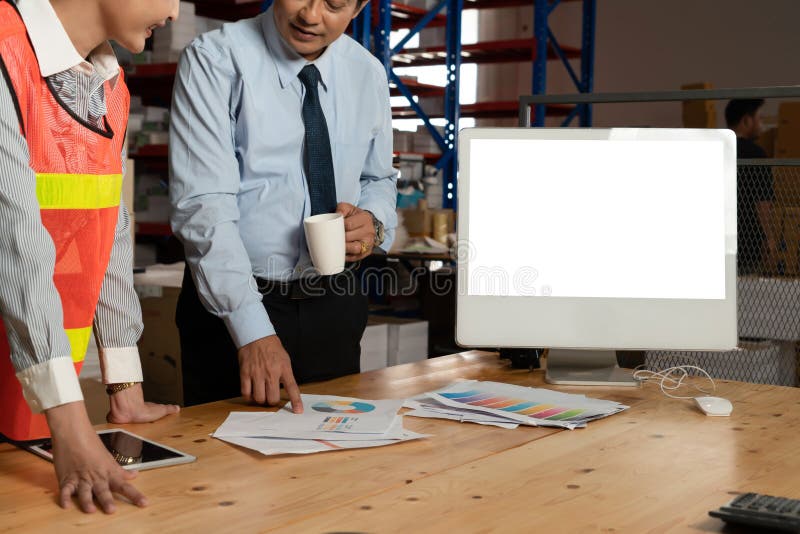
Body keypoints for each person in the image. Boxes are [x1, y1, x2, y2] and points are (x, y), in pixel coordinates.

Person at [169, 0, 397, 408]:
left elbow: (377, 178)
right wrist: (253, 331)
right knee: (227, 462)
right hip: (234, 307)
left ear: (359, 7)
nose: (310, 15)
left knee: (336, 457)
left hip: (334, 300)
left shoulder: (368, 73)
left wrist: (374, 225)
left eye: (334, 4)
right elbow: (204, 206)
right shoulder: (215, 59)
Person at [0, 0, 180, 514]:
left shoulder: (110, 87)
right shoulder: (4, 51)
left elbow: (108, 233)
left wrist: (123, 383)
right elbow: (13, 234)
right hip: (49, 404)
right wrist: (72, 425)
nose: (173, 12)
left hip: (30, 401)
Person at [725, 98, 775, 273]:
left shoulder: (717, 147)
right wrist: (769, 237)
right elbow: (763, 202)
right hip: (747, 243)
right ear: (746, 120)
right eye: (759, 118)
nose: (762, 125)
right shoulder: (756, 154)